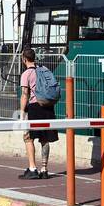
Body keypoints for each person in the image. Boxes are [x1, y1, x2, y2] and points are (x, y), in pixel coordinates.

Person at [18, 47, 59, 180]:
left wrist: (22, 112)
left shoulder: (26, 74)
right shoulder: (44, 69)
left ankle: (32, 168)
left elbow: (25, 95)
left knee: (28, 137)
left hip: (35, 107)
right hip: (47, 107)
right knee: (45, 138)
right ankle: (44, 169)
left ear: (24, 59)